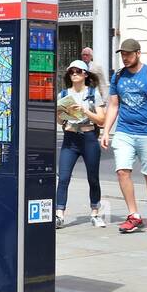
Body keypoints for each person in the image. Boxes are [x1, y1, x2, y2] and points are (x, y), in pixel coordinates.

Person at [101, 38, 147, 233]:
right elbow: (114, 105)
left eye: (128, 54)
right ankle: (134, 215)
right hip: (124, 132)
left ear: (138, 53)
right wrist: (106, 130)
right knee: (122, 171)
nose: (125, 58)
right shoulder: (118, 77)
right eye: (122, 54)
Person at [55, 61, 107, 228]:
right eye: (71, 72)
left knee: (93, 178)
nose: (74, 74)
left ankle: (95, 212)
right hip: (70, 139)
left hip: (89, 138)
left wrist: (84, 110)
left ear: (85, 74)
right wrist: (61, 114)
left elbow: (102, 120)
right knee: (63, 178)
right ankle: (59, 214)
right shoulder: (63, 94)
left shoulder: (93, 94)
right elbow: (58, 121)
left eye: (78, 71)